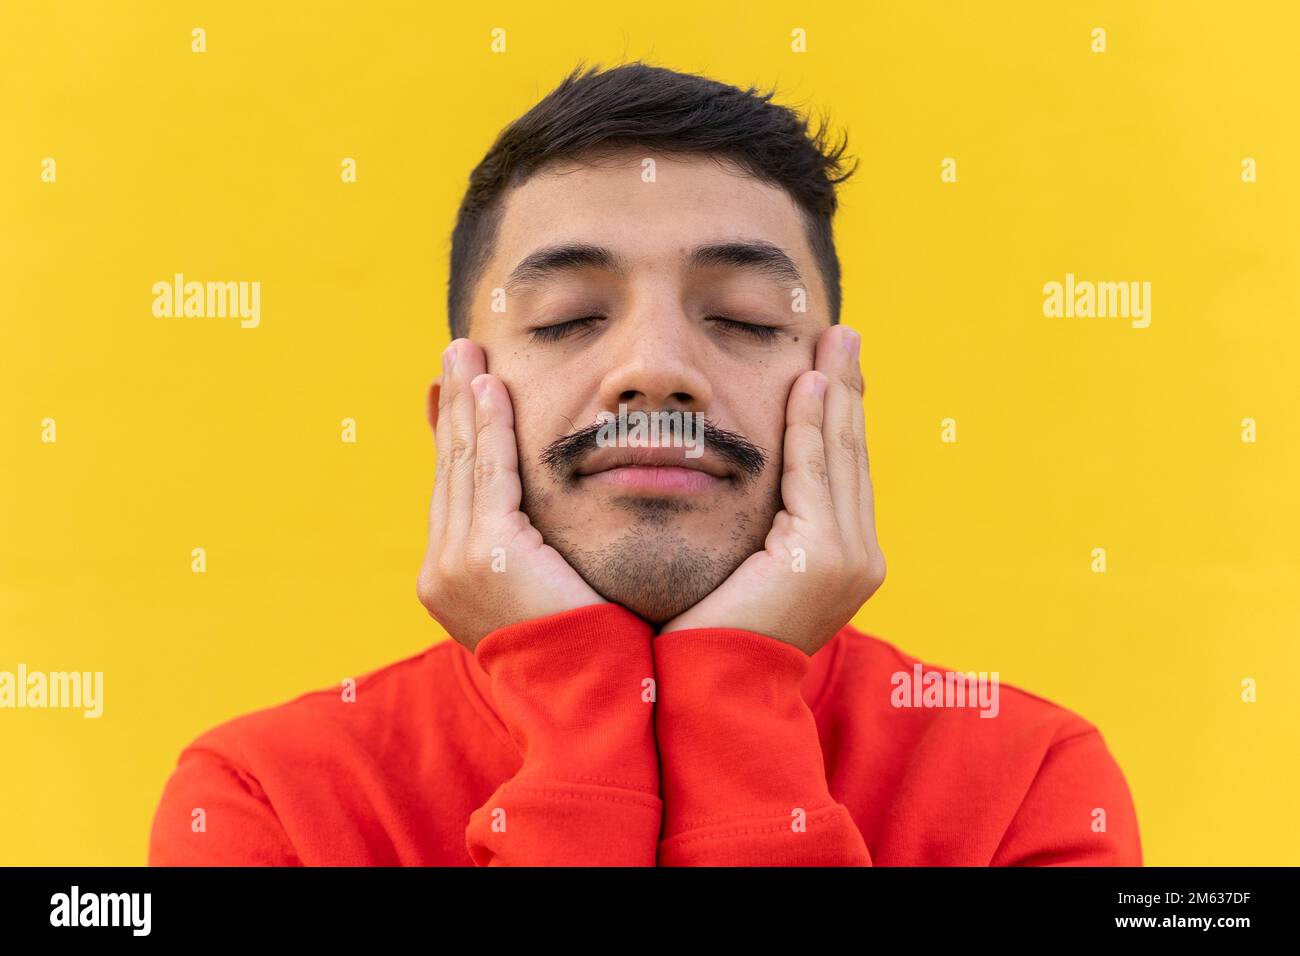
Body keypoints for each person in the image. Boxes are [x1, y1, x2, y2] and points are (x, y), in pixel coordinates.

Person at [149, 62, 1141, 866]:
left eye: (745, 319)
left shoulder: (1026, 783)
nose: (657, 371)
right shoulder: (265, 799)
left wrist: (733, 702)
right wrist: (582, 712)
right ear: (458, 417)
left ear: (834, 406)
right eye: (568, 318)